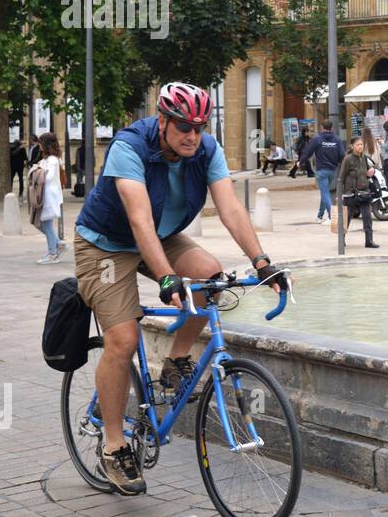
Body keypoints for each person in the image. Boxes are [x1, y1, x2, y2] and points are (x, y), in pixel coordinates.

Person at [73, 81, 282, 496]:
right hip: (107, 245)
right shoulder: (129, 147)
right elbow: (138, 220)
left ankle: (177, 359)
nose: (192, 135)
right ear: (163, 121)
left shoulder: (205, 150)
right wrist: (166, 277)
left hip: (163, 235)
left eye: (199, 127)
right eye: (183, 126)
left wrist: (263, 263)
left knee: (210, 275)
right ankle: (114, 446)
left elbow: (231, 209)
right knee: (123, 338)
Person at [296, 118, 344, 225]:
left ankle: (332, 217)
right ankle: (320, 216)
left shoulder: (317, 139)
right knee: (325, 192)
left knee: (325, 192)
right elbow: (341, 155)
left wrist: (301, 161)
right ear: (332, 128)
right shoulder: (337, 139)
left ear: (322, 128)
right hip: (332, 170)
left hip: (321, 170)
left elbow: (308, 151)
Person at [29, 132, 67, 264]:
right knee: (41, 223)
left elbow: (48, 177)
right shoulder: (46, 160)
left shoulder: (52, 160)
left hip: (49, 196)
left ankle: (52, 253)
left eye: (41, 143)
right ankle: (58, 244)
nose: (39, 145)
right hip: (45, 195)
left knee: (46, 224)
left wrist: (37, 169)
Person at [339, 136, 379, 248]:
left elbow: (370, 169)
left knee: (367, 218)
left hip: (364, 193)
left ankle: (369, 241)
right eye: (358, 144)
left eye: (361, 144)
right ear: (352, 146)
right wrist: (339, 194)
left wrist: (371, 171)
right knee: (346, 218)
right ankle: (341, 240)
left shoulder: (364, 158)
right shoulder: (347, 159)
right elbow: (341, 177)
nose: (360, 146)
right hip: (350, 193)